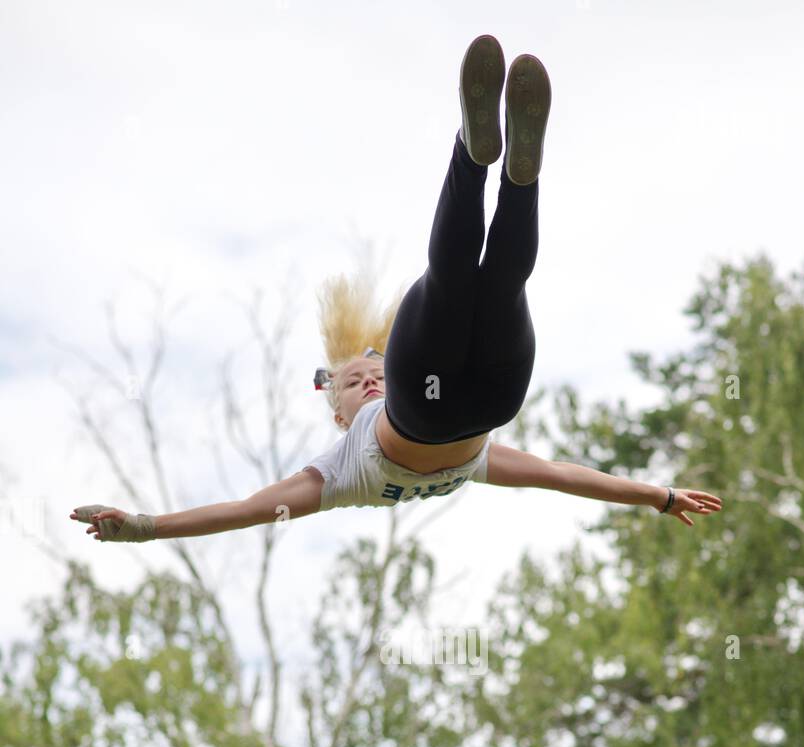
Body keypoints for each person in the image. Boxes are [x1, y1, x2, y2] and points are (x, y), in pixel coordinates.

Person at [70, 35, 722, 545]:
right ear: (336, 414)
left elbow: (558, 477)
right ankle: (519, 178)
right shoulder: (334, 475)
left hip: (433, 391)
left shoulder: (388, 402)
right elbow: (247, 511)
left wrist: (656, 497)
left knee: (463, 281)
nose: (371, 379)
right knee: (501, 284)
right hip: (489, 401)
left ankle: (482, 155)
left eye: (371, 369)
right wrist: (656, 495)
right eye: (355, 382)